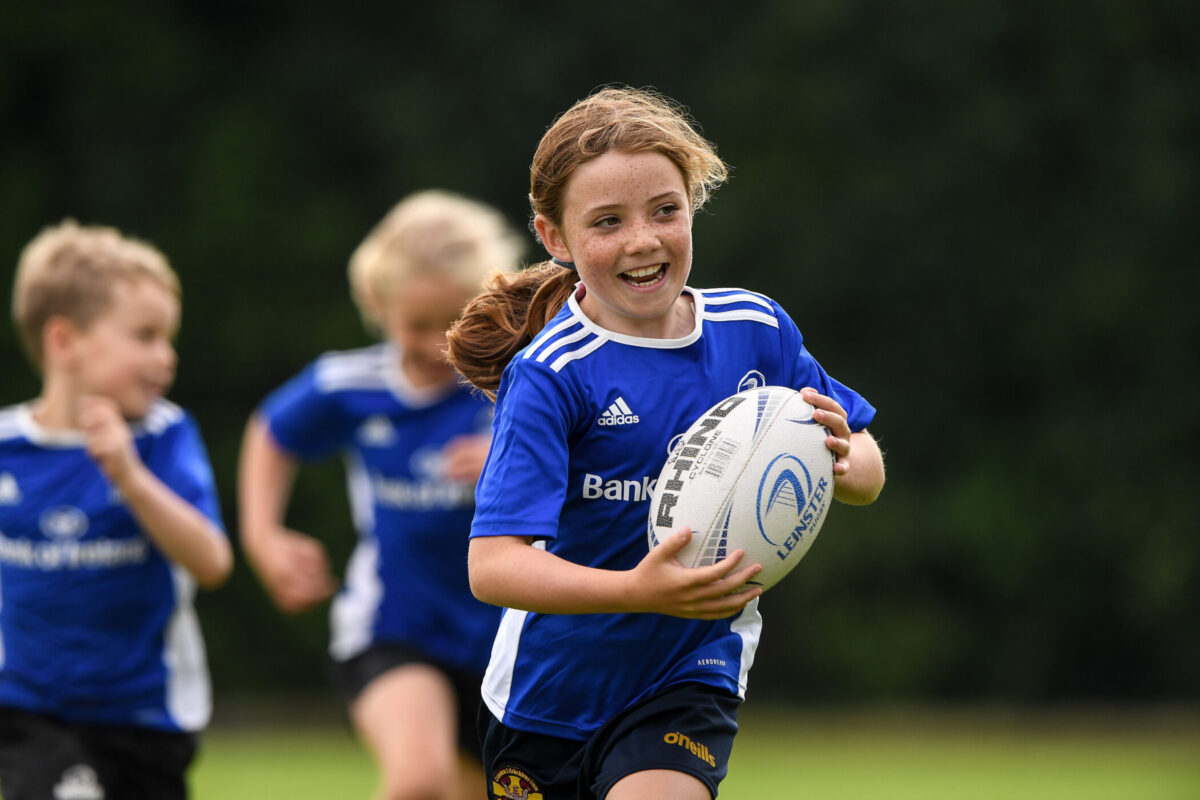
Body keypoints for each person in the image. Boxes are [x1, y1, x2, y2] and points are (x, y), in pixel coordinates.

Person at [446, 87, 886, 800]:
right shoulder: (553, 375)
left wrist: (841, 454)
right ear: (554, 238)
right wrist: (635, 590)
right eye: (608, 222)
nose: (643, 240)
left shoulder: (756, 330)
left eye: (665, 210)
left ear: (692, 205)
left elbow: (865, 469)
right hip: (546, 698)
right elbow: (493, 568)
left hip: (691, 670)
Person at [239, 190, 523, 800]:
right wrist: (264, 535)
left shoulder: (518, 390)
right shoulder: (351, 384)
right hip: (393, 625)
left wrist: (510, 467)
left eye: (459, 322)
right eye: (420, 326)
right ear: (378, 304)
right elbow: (270, 432)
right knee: (417, 782)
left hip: (504, 639)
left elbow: (590, 467)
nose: (440, 344)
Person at [0, 220, 233, 800]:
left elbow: (211, 561)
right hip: (28, 710)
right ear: (64, 342)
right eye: (145, 335)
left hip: (145, 717)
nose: (166, 357)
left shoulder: (163, 437)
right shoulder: (7, 449)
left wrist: (129, 477)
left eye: (168, 338)